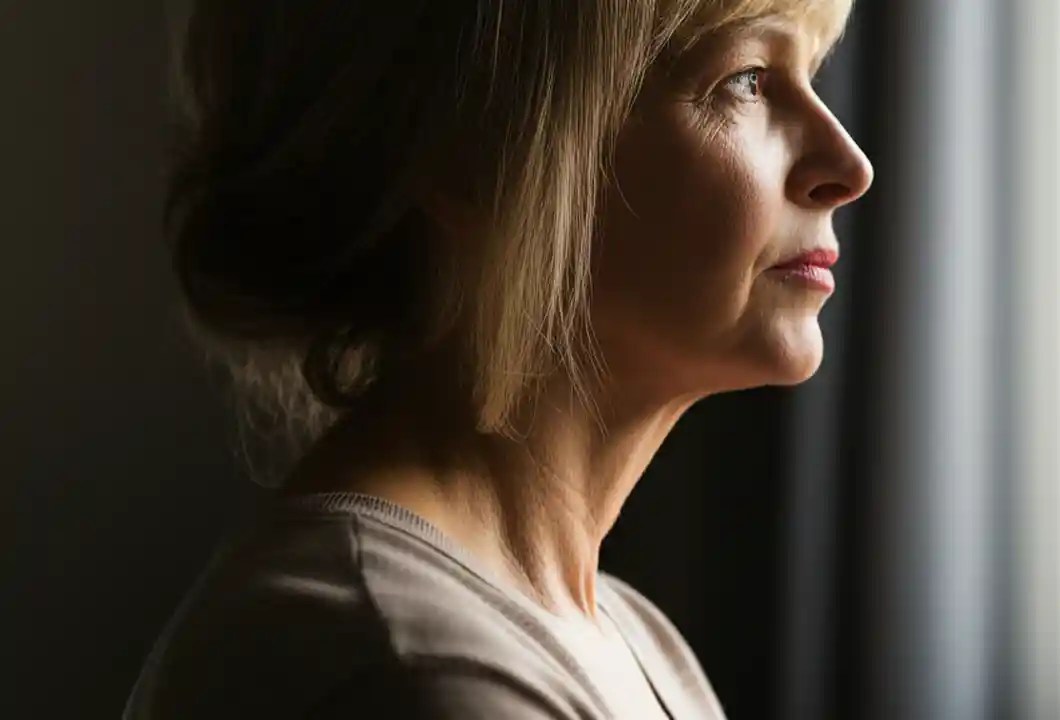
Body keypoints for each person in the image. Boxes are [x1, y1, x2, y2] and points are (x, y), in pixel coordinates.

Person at [125, 0, 872, 717]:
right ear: (474, 149)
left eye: (808, 70)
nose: (848, 165)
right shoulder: (408, 671)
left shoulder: (625, 639)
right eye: (745, 79)